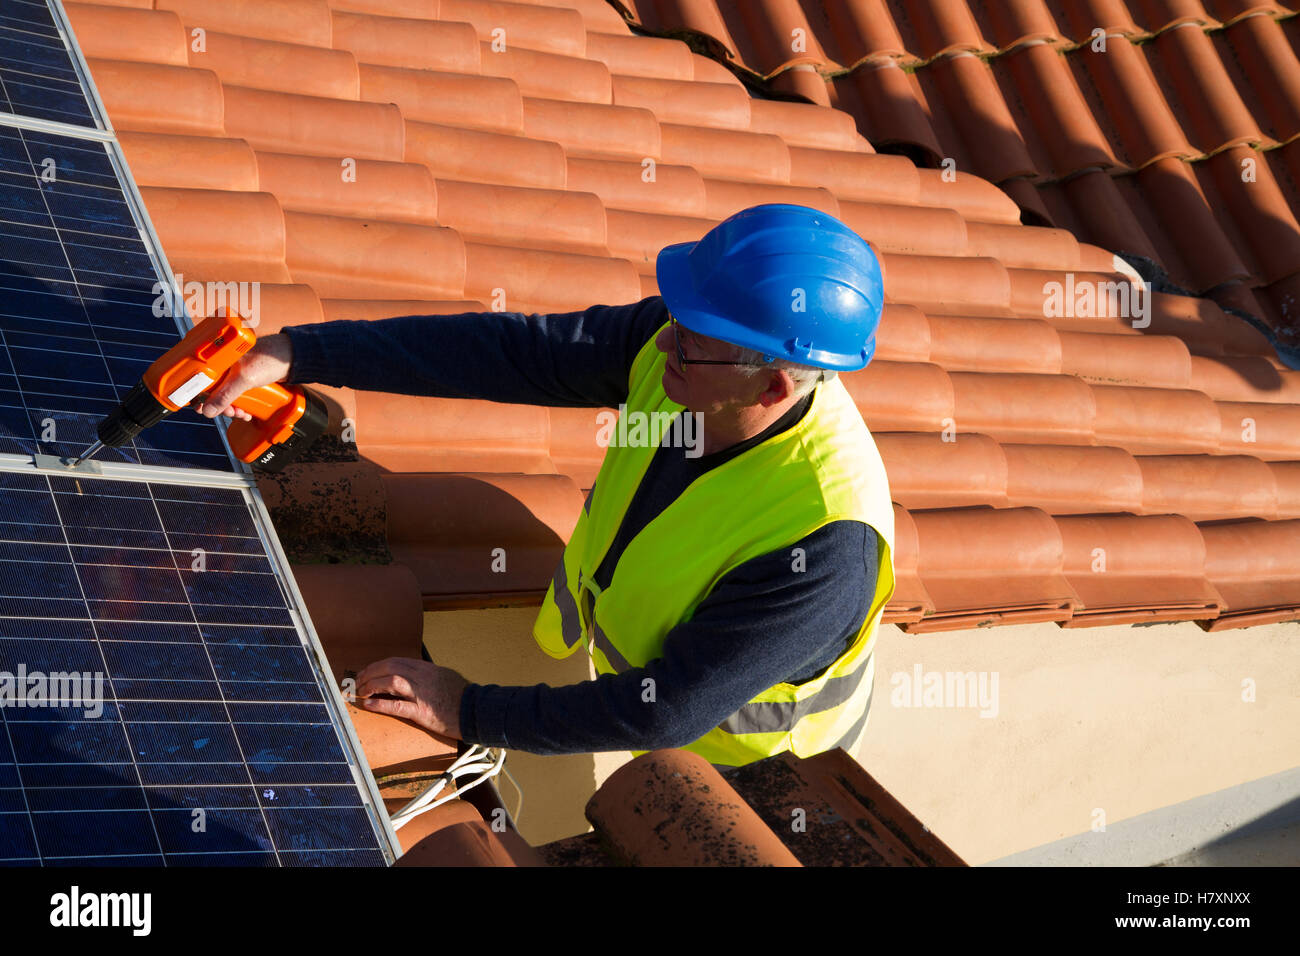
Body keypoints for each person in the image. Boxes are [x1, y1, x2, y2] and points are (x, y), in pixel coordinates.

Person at [198, 203, 897, 769]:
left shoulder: (825, 541)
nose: (659, 346)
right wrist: (304, 352)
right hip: (665, 701)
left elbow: (666, 711)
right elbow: (514, 352)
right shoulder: (693, 350)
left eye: (688, 340)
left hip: (762, 769)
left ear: (773, 385)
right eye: (676, 319)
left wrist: (467, 709)